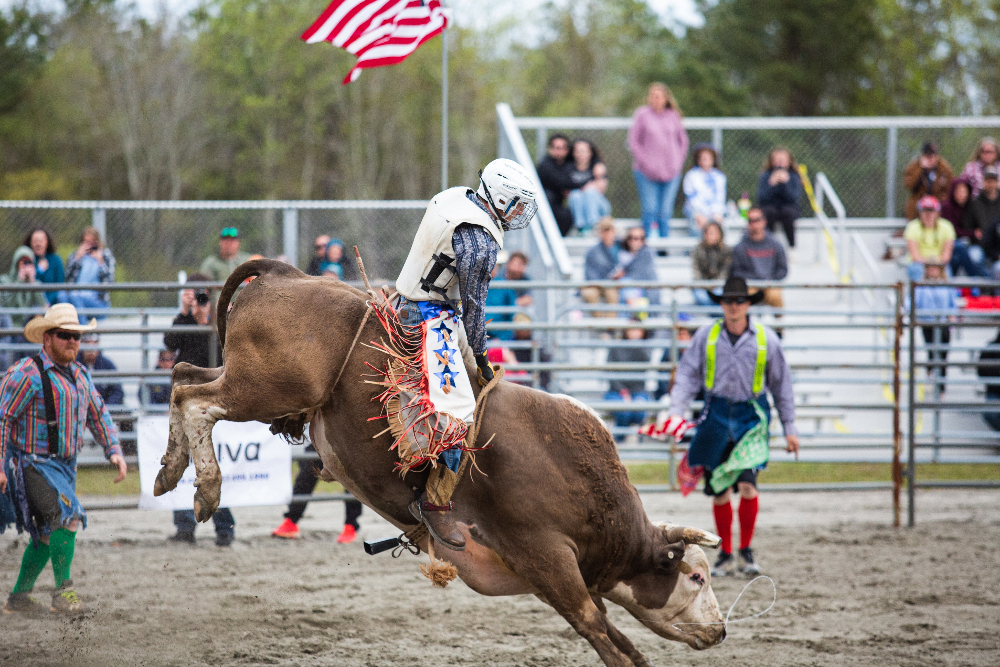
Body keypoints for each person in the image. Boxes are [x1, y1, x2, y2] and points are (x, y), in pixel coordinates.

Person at [392, 158, 538, 550]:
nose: (522, 213)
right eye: (519, 204)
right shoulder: (480, 240)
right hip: (429, 316)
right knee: (461, 412)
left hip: (415, 302)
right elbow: (475, 308)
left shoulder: (458, 198)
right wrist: (484, 355)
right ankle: (434, 503)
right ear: (503, 198)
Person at [642, 277, 798, 578]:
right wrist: (676, 412)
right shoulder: (707, 336)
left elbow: (782, 386)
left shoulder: (767, 340)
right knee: (720, 490)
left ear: (749, 304)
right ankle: (726, 553)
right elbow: (687, 375)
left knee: (748, 485)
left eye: (740, 301)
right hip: (716, 415)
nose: (734, 306)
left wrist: (789, 427)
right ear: (721, 304)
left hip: (751, 417)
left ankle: (746, 550)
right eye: (728, 301)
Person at [0, 303, 127, 614]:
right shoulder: (26, 374)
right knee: (68, 516)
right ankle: (63, 592)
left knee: (46, 535)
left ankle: (18, 598)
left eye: (76, 336)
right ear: (47, 339)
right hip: (31, 464)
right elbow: (3, 419)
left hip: (63, 466)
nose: (72, 341)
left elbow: (98, 415)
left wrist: (114, 450)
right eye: (64, 335)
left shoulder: (81, 376)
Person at [162, 272, 234, 546]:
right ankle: (184, 527)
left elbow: (222, 353)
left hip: (210, 400)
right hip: (185, 398)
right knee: (181, 461)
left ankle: (224, 528)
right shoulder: (184, 320)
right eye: (194, 293)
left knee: (211, 465)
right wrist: (185, 313)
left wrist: (208, 318)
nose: (200, 299)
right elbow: (170, 342)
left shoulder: (220, 322)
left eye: (203, 294)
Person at [628, 83, 689, 239]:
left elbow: (683, 141)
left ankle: (663, 246)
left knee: (665, 211)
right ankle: (645, 243)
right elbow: (634, 142)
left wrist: (677, 162)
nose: (655, 99)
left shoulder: (673, 115)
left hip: (671, 172)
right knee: (649, 209)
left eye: (658, 96)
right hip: (646, 173)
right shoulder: (642, 115)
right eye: (652, 95)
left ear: (665, 98)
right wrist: (645, 163)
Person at [271, 451, 363, 543]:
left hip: (348, 441)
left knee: (351, 475)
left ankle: (350, 525)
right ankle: (291, 521)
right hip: (324, 439)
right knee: (307, 470)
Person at [729, 208, 788, 313]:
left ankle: (778, 328)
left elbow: (783, 269)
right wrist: (753, 280)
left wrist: (771, 279)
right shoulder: (740, 247)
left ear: (764, 221)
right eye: (750, 220)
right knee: (744, 297)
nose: (753, 224)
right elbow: (736, 271)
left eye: (757, 220)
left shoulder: (776, 244)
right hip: (750, 284)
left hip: (770, 284)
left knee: (775, 296)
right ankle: (746, 327)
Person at [912, 263, 956, 396]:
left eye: (935, 268)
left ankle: (941, 387)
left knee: (943, 354)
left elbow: (952, 304)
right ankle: (931, 375)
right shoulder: (921, 286)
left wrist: (952, 316)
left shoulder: (947, 285)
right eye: (930, 268)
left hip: (943, 323)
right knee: (932, 352)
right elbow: (912, 302)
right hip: (927, 323)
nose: (932, 271)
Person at [604, 322, 652, 441]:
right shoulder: (616, 348)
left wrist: (638, 347)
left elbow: (645, 368)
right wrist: (623, 391)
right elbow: (610, 373)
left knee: (639, 412)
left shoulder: (646, 349)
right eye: (631, 329)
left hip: (638, 391)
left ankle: (640, 447)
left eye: (638, 330)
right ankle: (619, 442)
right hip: (616, 391)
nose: (634, 332)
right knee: (623, 411)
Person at [756, 147, 804, 249]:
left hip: (788, 207)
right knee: (769, 213)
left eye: (782, 160)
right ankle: (768, 245)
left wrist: (786, 183)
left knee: (788, 213)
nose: (780, 163)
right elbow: (762, 198)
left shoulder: (794, 176)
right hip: (770, 207)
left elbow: (793, 197)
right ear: (772, 161)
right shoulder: (765, 175)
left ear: (789, 162)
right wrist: (771, 183)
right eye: (777, 160)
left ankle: (792, 247)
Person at [65, 227, 115, 324]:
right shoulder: (75, 256)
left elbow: (110, 282)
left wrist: (100, 262)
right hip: (75, 297)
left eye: (92, 242)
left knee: (74, 296)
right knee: (63, 296)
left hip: (97, 302)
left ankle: (84, 333)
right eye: (86, 242)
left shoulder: (105, 256)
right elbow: (68, 278)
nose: (89, 246)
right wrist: (77, 258)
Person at [903, 196, 955, 282]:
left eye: (931, 211)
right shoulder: (912, 227)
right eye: (925, 211)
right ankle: (917, 294)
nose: (928, 214)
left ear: (938, 212)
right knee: (917, 270)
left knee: (947, 271)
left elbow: (946, 256)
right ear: (919, 212)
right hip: (919, 264)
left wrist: (935, 266)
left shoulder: (947, 226)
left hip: (939, 265)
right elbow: (915, 256)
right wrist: (929, 265)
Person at [566, 139, 612, 233]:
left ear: (590, 152)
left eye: (583, 151)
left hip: (599, 208)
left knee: (590, 192)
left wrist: (585, 187)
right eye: (577, 151)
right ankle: (582, 229)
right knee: (575, 195)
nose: (580, 154)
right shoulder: (568, 168)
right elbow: (566, 191)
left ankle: (594, 226)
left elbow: (601, 188)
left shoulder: (597, 167)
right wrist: (587, 186)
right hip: (580, 207)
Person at [682, 142, 727, 236]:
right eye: (703, 158)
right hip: (696, 212)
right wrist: (699, 215)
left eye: (708, 157)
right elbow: (691, 198)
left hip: (714, 212)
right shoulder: (691, 175)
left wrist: (716, 214)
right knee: (697, 226)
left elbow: (720, 198)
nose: (705, 160)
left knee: (720, 227)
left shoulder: (720, 177)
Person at [0, 246, 50, 329]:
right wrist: (18, 282)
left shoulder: (36, 284)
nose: (25, 265)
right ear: (16, 263)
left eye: (28, 262)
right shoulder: (4, 280)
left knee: (37, 311)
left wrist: (32, 283)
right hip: (8, 324)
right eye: (22, 261)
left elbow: (43, 306)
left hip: (26, 325)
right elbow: (6, 306)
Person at [536, 134, 576, 236]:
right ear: (550, 149)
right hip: (547, 204)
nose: (559, 151)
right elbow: (561, 182)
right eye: (556, 147)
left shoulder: (569, 164)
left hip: (560, 205)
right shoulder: (545, 164)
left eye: (562, 148)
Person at [581, 218, 622, 317]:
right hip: (597, 284)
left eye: (609, 230)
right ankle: (601, 324)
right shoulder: (592, 251)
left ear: (614, 231)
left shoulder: (621, 247)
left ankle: (609, 326)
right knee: (589, 293)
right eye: (604, 230)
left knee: (611, 293)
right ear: (600, 232)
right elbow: (589, 273)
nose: (607, 233)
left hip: (615, 285)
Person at [902, 142, 953, 220]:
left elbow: (950, 187)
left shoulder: (944, 169)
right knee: (913, 206)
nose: (930, 159)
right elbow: (910, 186)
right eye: (927, 156)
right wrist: (921, 170)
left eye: (933, 156)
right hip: (919, 201)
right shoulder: (914, 168)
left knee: (946, 205)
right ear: (922, 156)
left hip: (938, 202)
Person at [616, 226, 660, 313]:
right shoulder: (622, 253)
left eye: (638, 238)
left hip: (645, 290)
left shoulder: (647, 254)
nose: (633, 241)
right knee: (626, 284)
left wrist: (624, 274)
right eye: (631, 238)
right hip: (628, 292)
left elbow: (642, 274)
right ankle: (634, 316)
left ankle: (635, 316)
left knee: (626, 282)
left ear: (643, 240)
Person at [76, 333, 124, 407]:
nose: (90, 348)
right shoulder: (74, 364)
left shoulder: (107, 365)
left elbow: (117, 392)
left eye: (94, 343)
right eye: (87, 343)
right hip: (81, 408)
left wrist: (105, 409)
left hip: (104, 409)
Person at [691, 222, 732, 306]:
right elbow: (696, 271)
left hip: (720, 285)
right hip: (702, 286)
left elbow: (725, 272)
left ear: (719, 234)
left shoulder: (726, 250)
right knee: (702, 297)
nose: (709, 236)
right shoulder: (698, 250)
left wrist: (715, 285)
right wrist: (705, 286)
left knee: (719, 294)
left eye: (713, 233)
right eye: (707, 233)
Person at [24, 228, 65, 305]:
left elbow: (60, 284)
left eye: (41, 241)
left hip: (53, 300)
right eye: (35, 241)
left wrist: (47, 302)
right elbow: (30, 284)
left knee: (63, 296)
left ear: (47, 242)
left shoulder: (56, 260)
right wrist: (40, 270)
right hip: (34, 301)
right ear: (30, 243)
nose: (38, 244)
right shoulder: (26, 260)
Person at [976, 329, 1000, 431]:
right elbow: (982, 371)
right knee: (990, 412)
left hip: (994, 391)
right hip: (995, 392)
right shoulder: (991, 347)